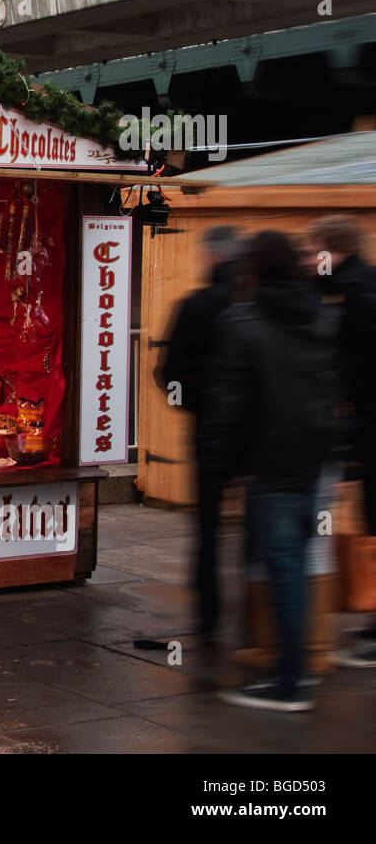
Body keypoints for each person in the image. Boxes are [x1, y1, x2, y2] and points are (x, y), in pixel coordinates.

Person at [207, 230, 341, 712]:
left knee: (282, 570)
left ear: (254, 268)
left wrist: (221, 467)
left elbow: (231, 405)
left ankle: (290, 680)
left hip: (270, 467)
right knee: (293, 568)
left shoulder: (245, 321)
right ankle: (283, 665)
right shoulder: (322, 316)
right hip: (313, 463)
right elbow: (330, 388)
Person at [157, 224, 241, 642]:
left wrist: (192, 406)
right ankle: (258, 609)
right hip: (261, 434)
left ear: (210, 257)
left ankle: (209, 613)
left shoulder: (197, 305)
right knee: (260, 522)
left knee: (208, 524)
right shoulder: (256, 301)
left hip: (211, 430)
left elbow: (168, 373)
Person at [310, 215, 376, 667]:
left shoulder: (349, 291)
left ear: (332, 250)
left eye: (317, 249)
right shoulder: (362, 282)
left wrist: (346, 441)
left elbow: (352, 369)